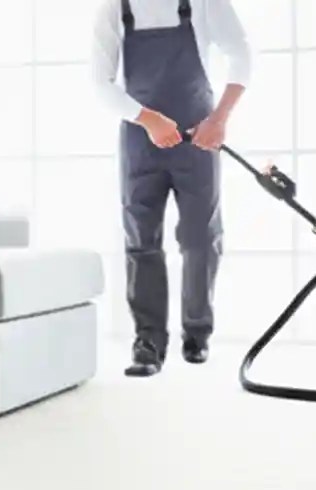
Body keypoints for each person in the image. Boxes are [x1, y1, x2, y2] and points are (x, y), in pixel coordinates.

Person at [91, 0, 253, 376]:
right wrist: (148, 119)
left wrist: (219, 119)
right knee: (141, 239)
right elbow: (101, 83)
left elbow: (241, 55)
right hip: (140, 139)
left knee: (200, 237)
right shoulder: (114, 7)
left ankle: (197, 332)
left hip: (199, 135)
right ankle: (148, 342)